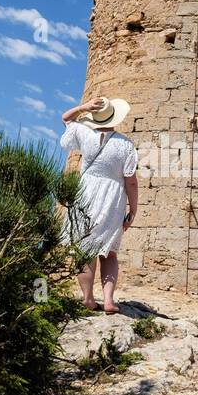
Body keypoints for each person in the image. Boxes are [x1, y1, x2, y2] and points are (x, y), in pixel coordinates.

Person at [60, 96, 138, 314]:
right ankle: (109, 300)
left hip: (85, 192)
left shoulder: (84, 134)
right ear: (115, 117)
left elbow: (65, 118)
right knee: (109, 252)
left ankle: (87, 298)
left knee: (84, 250)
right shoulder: (125, 144)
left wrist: (83, 108)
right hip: (112, 197)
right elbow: (130, 180)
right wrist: (133, 208)